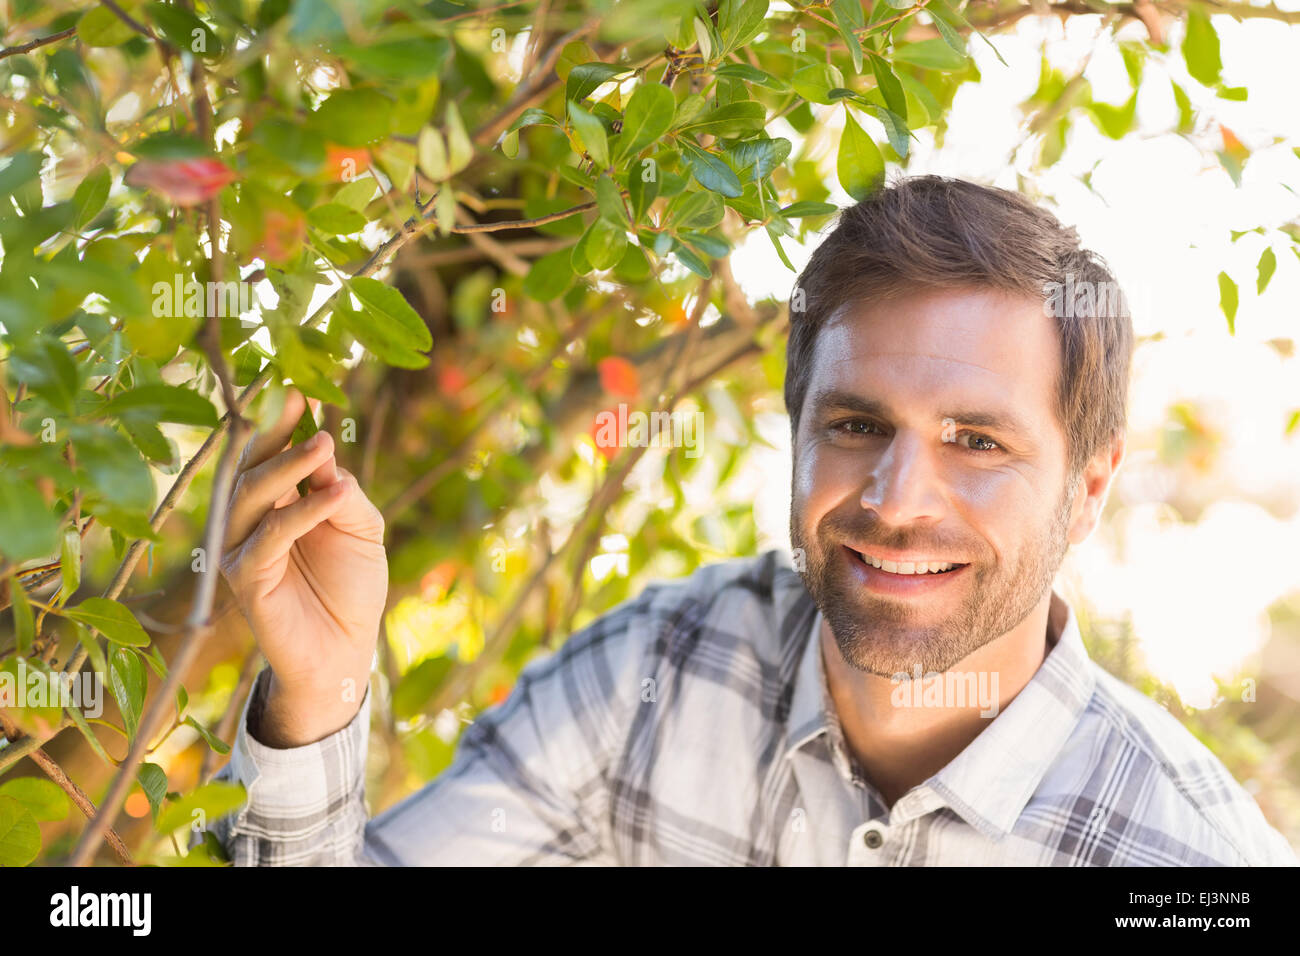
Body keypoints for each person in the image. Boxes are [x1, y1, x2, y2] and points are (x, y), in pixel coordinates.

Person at [211, 175, 1296, 865]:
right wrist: (317, 696)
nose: (894, 500)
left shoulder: (1184, 856)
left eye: (977, 440)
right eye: (858, 423)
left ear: (1088, 486)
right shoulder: (661, 671)